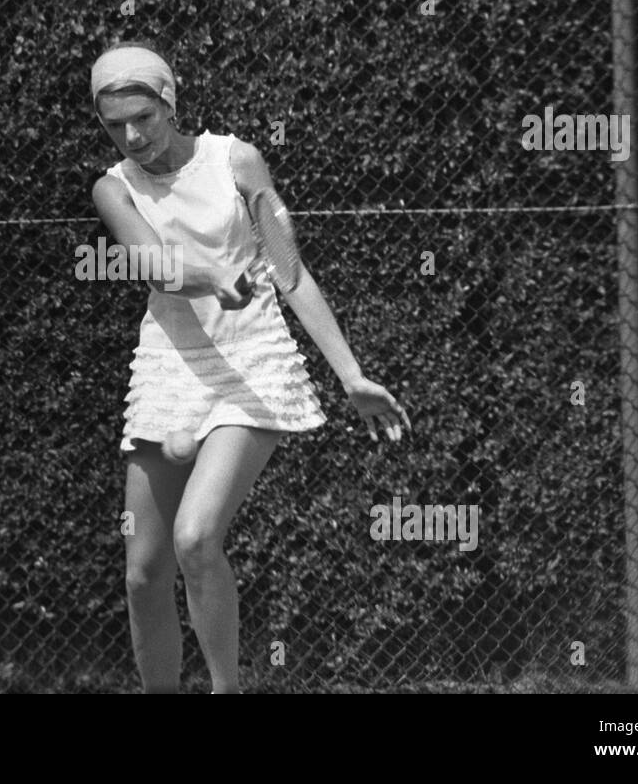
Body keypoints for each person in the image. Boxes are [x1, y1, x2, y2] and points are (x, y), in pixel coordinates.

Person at [90, 43, 411, 693]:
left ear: (169, 104)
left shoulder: (237, 161)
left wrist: (351, 376)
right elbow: (153, 264)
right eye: (115, 124)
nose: (133, 136)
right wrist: (212, 277)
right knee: (143, 574)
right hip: (168, 370)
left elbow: (289, 272)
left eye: (144, 118)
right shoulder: (113, 187)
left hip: (253, 362)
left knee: (195, 537)